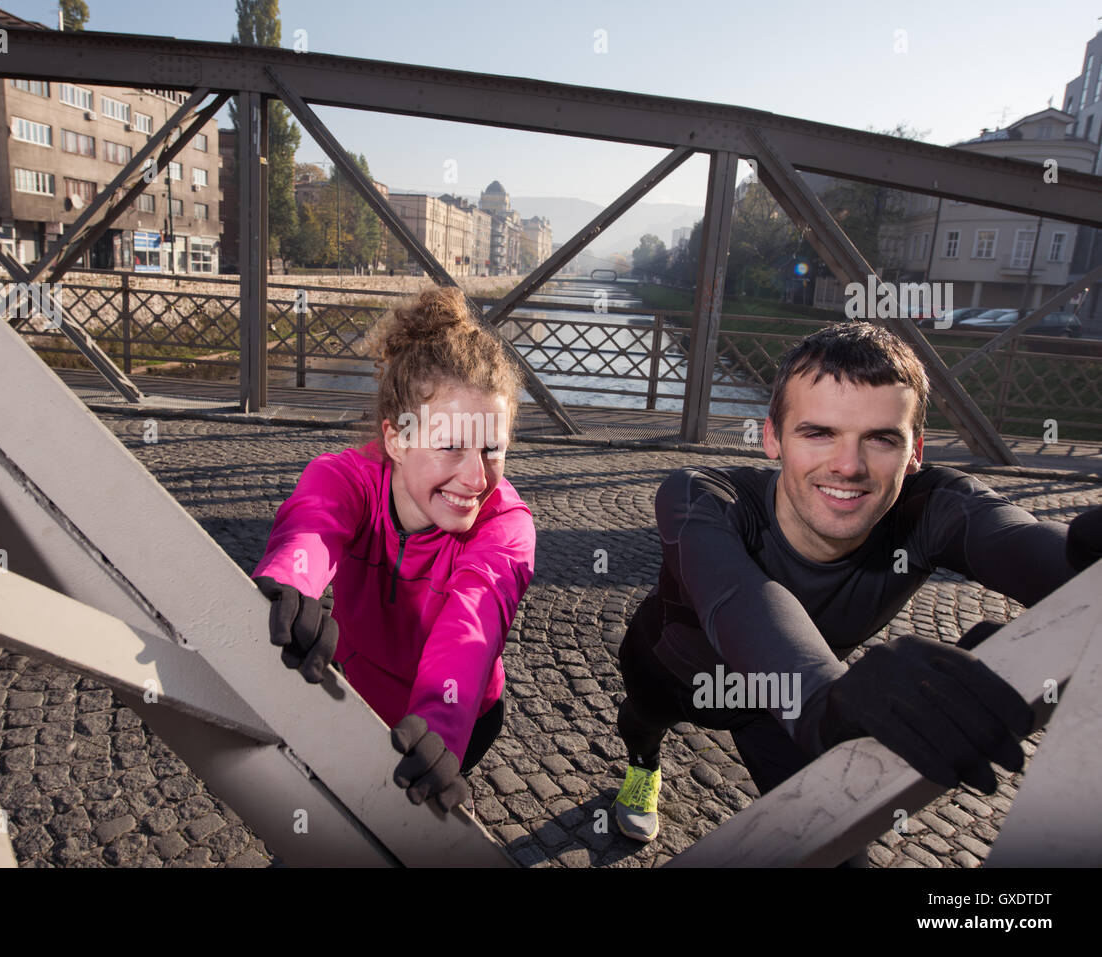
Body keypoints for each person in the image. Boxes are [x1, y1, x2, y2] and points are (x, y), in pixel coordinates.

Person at [612, 321, 1102, 843]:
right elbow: (743, 598)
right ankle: (643, 766)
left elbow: (1017, 540)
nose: (848, 465)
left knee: (833, 846)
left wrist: (1078, 565)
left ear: (915, 453)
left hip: (782, 706)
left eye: (882, 438)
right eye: (818, 432)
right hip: (672, 672)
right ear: (771, 438)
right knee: (642, 723)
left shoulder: (934, 506)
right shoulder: (702, 496)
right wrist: (827, 702)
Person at [252, 285, 536, 812]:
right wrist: (291, 583)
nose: (477, 478)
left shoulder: (506, 527)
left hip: (459, 720)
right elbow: (313, 525)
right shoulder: (347, 479)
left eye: (493, 449)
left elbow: (472, 623)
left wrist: (439, 725)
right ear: (397, 440)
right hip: (354, 700)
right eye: (451, 445)